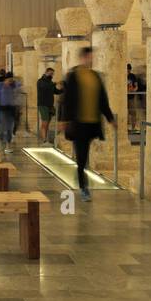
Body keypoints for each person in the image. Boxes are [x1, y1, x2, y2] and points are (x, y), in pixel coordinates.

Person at [61, 46, 115, 202]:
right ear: (83, 57)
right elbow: (68, 99)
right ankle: (84, 187)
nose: (91, 60)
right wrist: (64, 120)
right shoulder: (73, 76)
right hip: (78, 123)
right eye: (89, 57)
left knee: (84, 156)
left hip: (92, 123)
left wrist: (110, 118)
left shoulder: (95, 76)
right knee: (82, 155)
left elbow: (102, 100)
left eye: (92, 57)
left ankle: (81, 172)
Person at [0, 70, 21, 153]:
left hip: (11, 109)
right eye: (9, 80)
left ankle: (8, 146)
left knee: (10, 128)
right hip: (2, 109)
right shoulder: (0, 85)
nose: (10, 81)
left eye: (11, 80)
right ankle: (1, 143)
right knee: (2, 128)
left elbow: (19, 85)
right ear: (5, 79)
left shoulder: (14, 85)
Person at [37, 66, 61, 142]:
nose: (51, 75)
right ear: (46, 72)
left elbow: (55, 91)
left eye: (52, 74)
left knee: (47, 123)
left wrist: (63, 89)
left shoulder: (50, 82)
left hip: (50, 105)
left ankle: (45, 138)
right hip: (43, 105)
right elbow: (45, 87)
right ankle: (44, 139)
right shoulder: (40, 81)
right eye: (50, 73)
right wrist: (55, 83)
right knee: (45, 122)